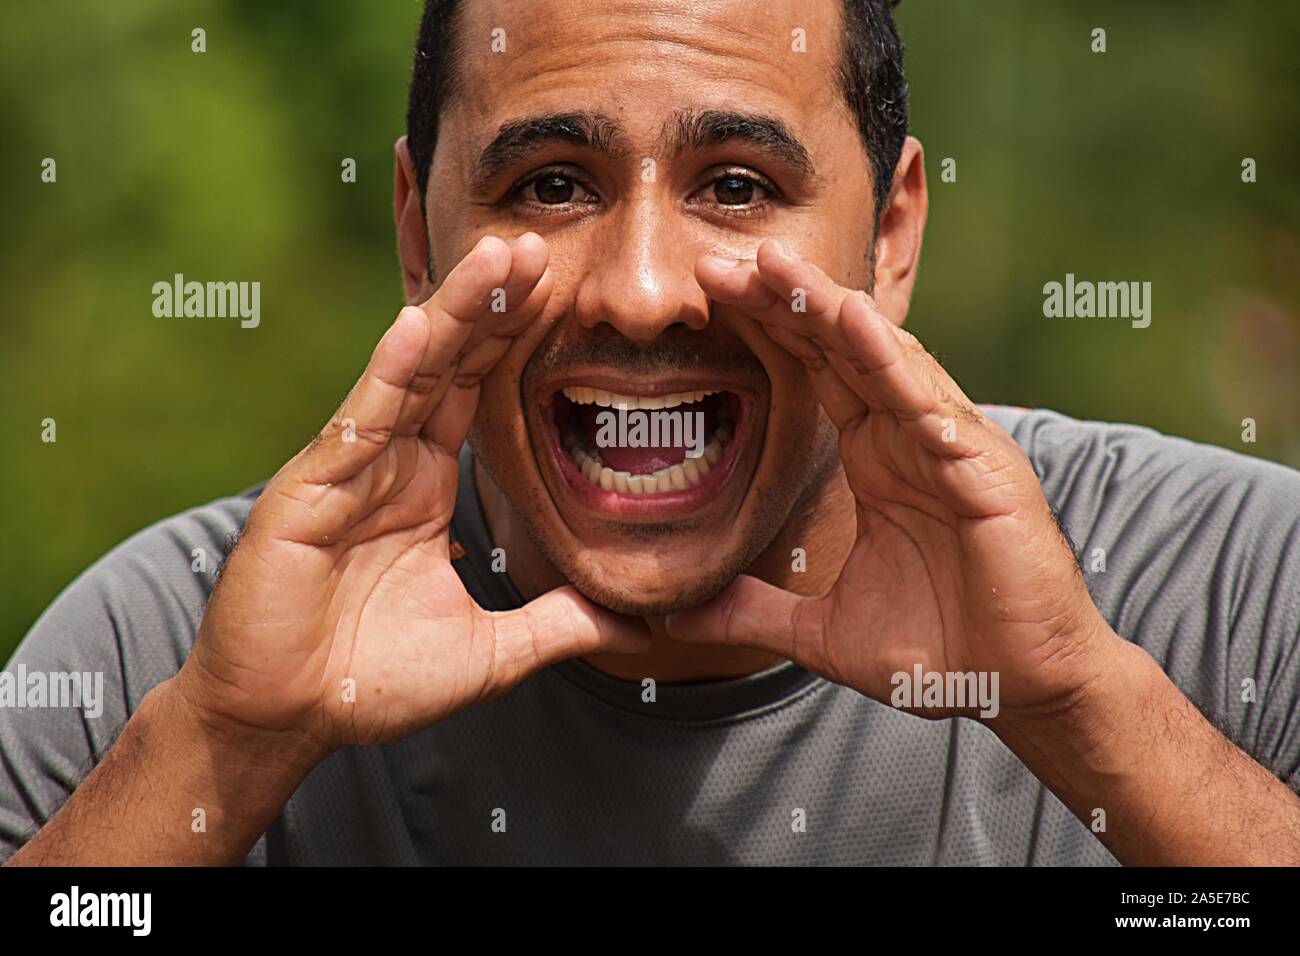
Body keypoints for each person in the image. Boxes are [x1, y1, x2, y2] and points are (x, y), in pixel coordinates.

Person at [4, 0, 1299, 866]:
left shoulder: (1235, 594)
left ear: (891, 236)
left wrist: (1081, 709)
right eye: (550, 185)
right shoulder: (170, 651)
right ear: (416, 232)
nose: (637, 290)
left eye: (738, 186)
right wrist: (227, 750)